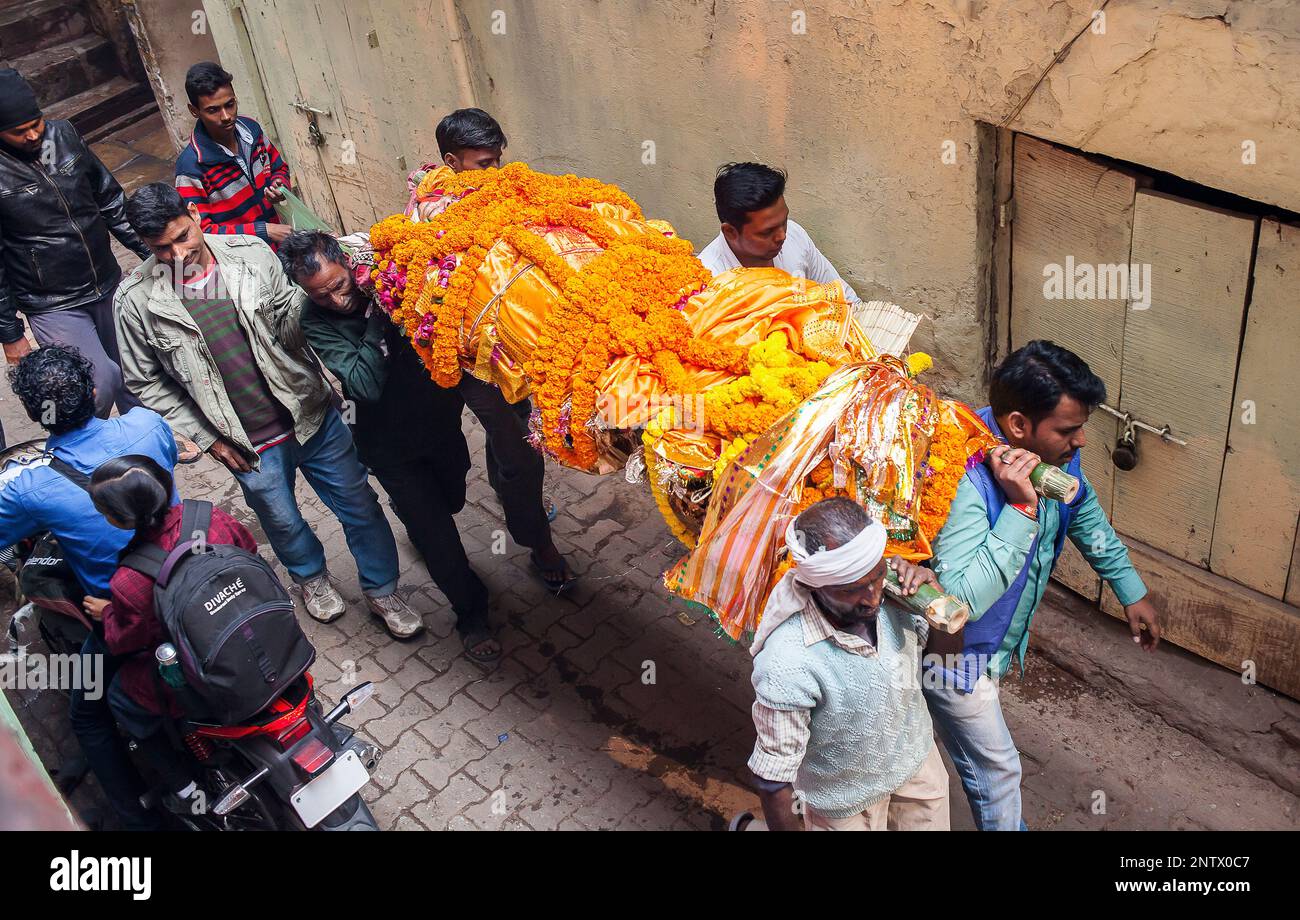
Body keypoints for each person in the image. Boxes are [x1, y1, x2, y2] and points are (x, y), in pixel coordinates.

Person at [114, 183, 424, 640]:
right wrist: (209, 439)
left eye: (183, 236)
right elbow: (145, 382)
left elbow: (296, 323)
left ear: (195, 214)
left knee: (360, 506)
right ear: (144, 244)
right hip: (245, 443)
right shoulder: (136, 302)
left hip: (311, 413)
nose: (178, 254)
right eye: (161, 248)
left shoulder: (252, 254)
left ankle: (382, 590)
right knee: (282, 520)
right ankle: (310, 579)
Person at [925, 339, 1161, 831]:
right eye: (1070, 430)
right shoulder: (964, 477)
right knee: (999, 771)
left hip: (991, 646)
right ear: (1018, 425)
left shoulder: (1045, 454)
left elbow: (1084, 514)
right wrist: (1021, 510)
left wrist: (1130, 589)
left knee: (961, 756)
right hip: (951, 654)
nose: (1080, 442)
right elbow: (951, 606)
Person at [280, 230, 501, 664]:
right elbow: (363, 384)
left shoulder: (393, 276)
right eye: (321, 295)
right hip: (388, 446)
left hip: (439, 424)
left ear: (347, 264)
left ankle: (418, 517)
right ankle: (471, 612)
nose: (337, 301)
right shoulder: (315, 319)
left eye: (339, 286)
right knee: (437, 536)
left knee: (453, 496)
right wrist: (380, 314)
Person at [0, 345, 177, 830]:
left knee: (88, 716)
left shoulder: (28, 487)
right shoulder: (146, 425)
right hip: (186, 575)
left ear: (37, 415)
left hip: (127, 613)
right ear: (96, 391)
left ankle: (137, 819)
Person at [409, 108, 571, 589]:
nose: (494, 174)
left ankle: (508, 491)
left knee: (506, 438)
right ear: (451, 162)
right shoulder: (439, 210)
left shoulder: (487, 189)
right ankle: (538, 544)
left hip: (509, 341)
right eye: (483, 164)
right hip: (472, 360)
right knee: (524, 446)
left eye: (499, 161)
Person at [747, 497, 955, 831]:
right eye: (853, 590)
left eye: (877, 577)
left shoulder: (895, 595)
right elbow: (773, 781)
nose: (873, 597)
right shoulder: (787, 663)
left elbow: (945, 669)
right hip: (843, 804)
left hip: (917, 770)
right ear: (818, 585)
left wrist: (940, 606)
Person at [84, 455, 256, 815]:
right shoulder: (214, 518)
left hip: (197, 672)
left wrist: (108, 613)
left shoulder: (130, 578)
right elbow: (250, 554)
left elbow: (124, 640)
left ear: (118, 519)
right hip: (250, 633)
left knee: (119, 697)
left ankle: (184, 788)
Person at [0, 68, 154, 419]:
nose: (33, 135)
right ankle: (87, 455)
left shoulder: (63, 135)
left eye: (36, 123)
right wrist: (10, 334)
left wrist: (154, 254)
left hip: (107, 280)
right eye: (18, 132)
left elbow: (111, 201)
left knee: (138, 374)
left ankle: (145, 443)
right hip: (53, 301)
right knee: (98, 382)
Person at [697, 162, 860, 302]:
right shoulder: (706, 285)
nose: (782, 236)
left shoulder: (794, 236)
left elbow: (843, 297)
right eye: (767, 232)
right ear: (731, 232)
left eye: (783, 222)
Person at [174, 62, 292, 247]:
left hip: (281, 244)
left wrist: (280, 185)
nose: (226, 116)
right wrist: (263, 231)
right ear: (194, 111)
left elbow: (279, 168)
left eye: (230, 105)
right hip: (244, 261)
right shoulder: (191, 167)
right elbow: (201, 230)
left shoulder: (252, 131)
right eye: (213, 110)